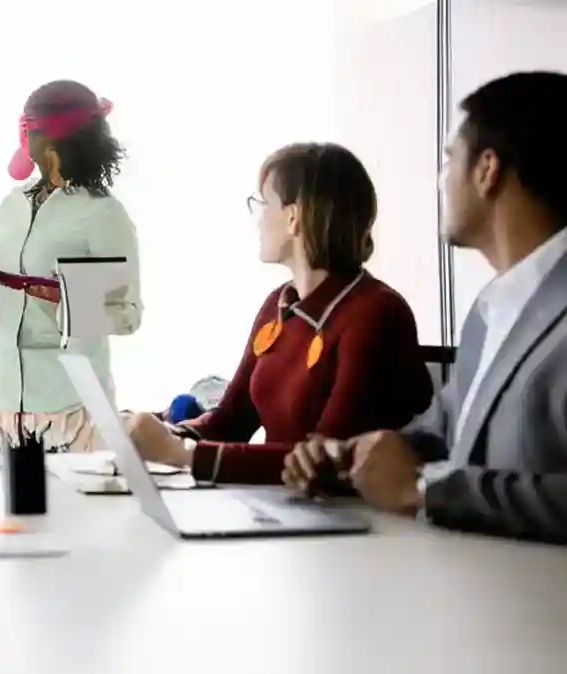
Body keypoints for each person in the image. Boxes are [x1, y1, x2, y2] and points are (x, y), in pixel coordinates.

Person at [283, 72, 567, 543]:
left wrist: (424, 489)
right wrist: (351, 458)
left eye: (450, 160)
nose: (441, 182)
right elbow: (444, 428)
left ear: (487, 169)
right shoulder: (491, 308)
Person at [128, 143, 433, 484]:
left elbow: (323, 460)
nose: (257, 219)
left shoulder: (376, 313)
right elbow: (229, 423)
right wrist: (160, 433)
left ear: (293, 217)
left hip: (349, 518)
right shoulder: (280, 303)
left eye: (262, 203)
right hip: (283, 506)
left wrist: (180, 454)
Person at [0, 80, 141, 451]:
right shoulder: (13, 204)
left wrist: (68, 300)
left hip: (73, 410)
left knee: (75, 512)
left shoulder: (104, 215)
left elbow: (128, 315)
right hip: (4, 406)